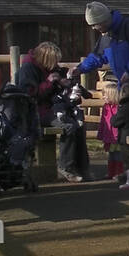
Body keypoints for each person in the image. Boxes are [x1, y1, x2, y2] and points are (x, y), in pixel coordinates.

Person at [70, 3, 129, 140]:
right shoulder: (106, 37)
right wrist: (80, 68)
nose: (93, 28)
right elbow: (97, 57)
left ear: (104, 20)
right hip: (127, 91)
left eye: (95, 24)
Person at [17, 41, 91, 182]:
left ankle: (82, 167)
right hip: (37, 111)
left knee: (80, 126)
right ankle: (66, 166)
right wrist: (49, 82)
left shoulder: (49, 67)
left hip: (54, 108)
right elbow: (28, 94)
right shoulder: (28, 69)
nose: (56, 64)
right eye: (54, 60)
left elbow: (58, 79)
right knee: (69, 126)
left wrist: (63, 81)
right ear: (46, 59)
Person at [97, 81, 127, 183]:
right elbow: (103, 121)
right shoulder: (105, 107)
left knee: (119, 155)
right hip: (109, 136)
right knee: (111, 155)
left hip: (118, 136)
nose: (103, 97)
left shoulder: (120, 108)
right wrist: (100, 133)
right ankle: (111, 172)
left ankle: (119, 173)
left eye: (105, 95)